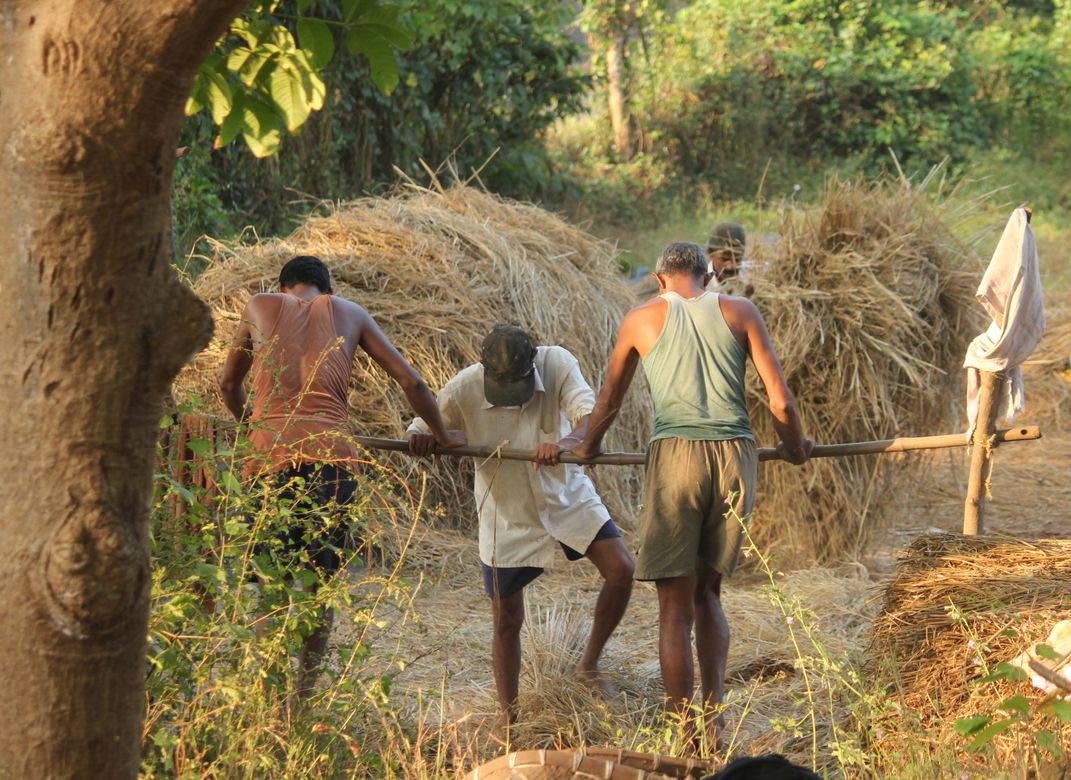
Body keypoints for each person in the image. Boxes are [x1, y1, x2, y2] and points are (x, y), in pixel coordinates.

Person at [570, 242, 813, 750]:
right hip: (735, 458)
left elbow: (610, 399)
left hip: (676, 459)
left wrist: (588, 448)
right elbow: (780, 400)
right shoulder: (741, 310)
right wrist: (794, 448)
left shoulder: (640, 319)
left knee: (673, 607)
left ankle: (684, 734)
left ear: (660, 281)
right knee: (708, 592)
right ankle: (716, 719)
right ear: (707, 277)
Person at [218, 255, 464, 699]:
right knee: (319, 584)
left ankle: (265, 698)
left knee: (268, 582)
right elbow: (412, 384)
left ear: (282, 286)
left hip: (269, 457)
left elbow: (227, 385)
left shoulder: (258, 304)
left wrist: (249, 427)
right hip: (331, 463)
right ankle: (303, 698)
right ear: (326, 290)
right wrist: (443, 436)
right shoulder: (350, 312)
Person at [406, 324, 635, 729]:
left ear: (534, 363)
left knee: (621, 569)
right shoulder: (465, 386)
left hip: (564, 494)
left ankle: (589, 664)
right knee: (506, 617)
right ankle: (509, 720)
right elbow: (423, 427)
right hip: (505, 507)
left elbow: (588, 414)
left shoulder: (558, 362)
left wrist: (566, 445)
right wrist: (426, 440)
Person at [706, 221, 747, 287]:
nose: (730, 267)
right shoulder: (700, 286)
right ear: (711, 254)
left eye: (737, 260)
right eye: (724, 259)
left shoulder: (750, 275)